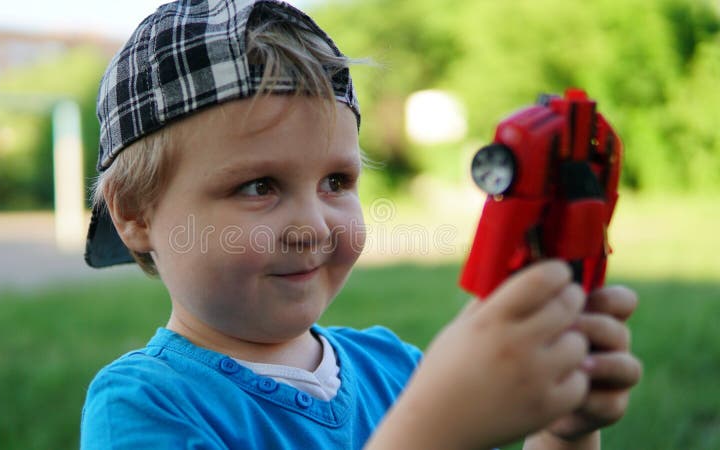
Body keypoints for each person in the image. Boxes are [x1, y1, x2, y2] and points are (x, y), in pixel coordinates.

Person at [80, 1, 641, 448]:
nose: (314, 226)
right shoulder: (143, 406)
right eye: (259, 186)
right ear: (134, 214)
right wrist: (433, 429)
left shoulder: (399, 368)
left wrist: (562, 429)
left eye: (336, 183)